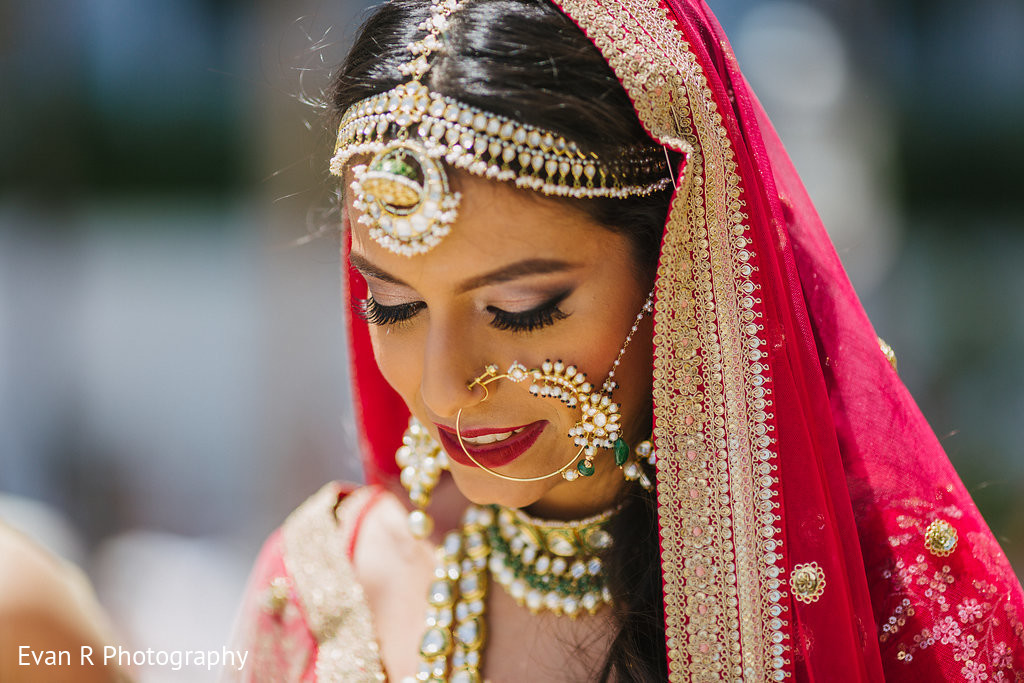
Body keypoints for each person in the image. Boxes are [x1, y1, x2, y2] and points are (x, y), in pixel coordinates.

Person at [229, 0, 1024, 680]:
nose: (443, 387)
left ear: (680, 259)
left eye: (521, 308)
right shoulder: (318, 593)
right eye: (394, 305)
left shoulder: (897, 603)